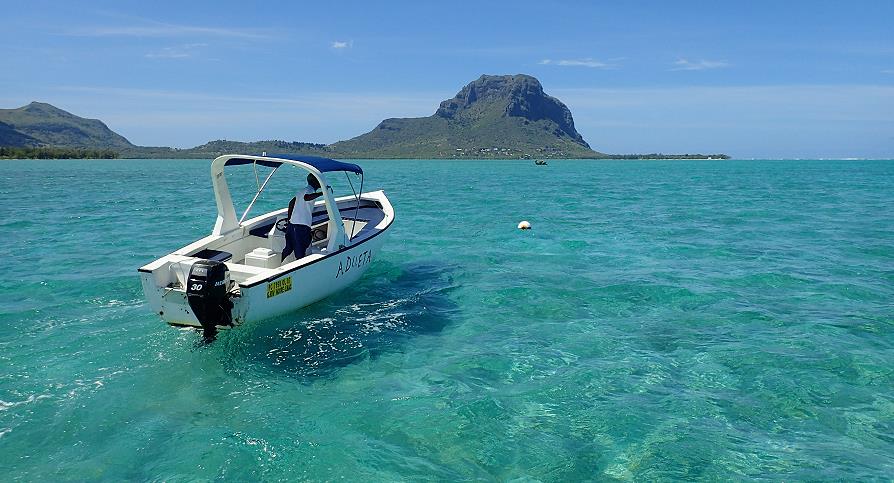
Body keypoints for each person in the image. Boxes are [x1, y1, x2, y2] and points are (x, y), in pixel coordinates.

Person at [281, 173, 324, 262]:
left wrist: (290, 219)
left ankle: (281, 263)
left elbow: (291, 203)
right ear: (316, 182)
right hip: (300, 226)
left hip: (293, 225)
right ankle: (300, 270)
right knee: (300, 251)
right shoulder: (310, 190)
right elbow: (307, 198)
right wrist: (322, 193)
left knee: (289, 248)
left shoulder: (302, 190)